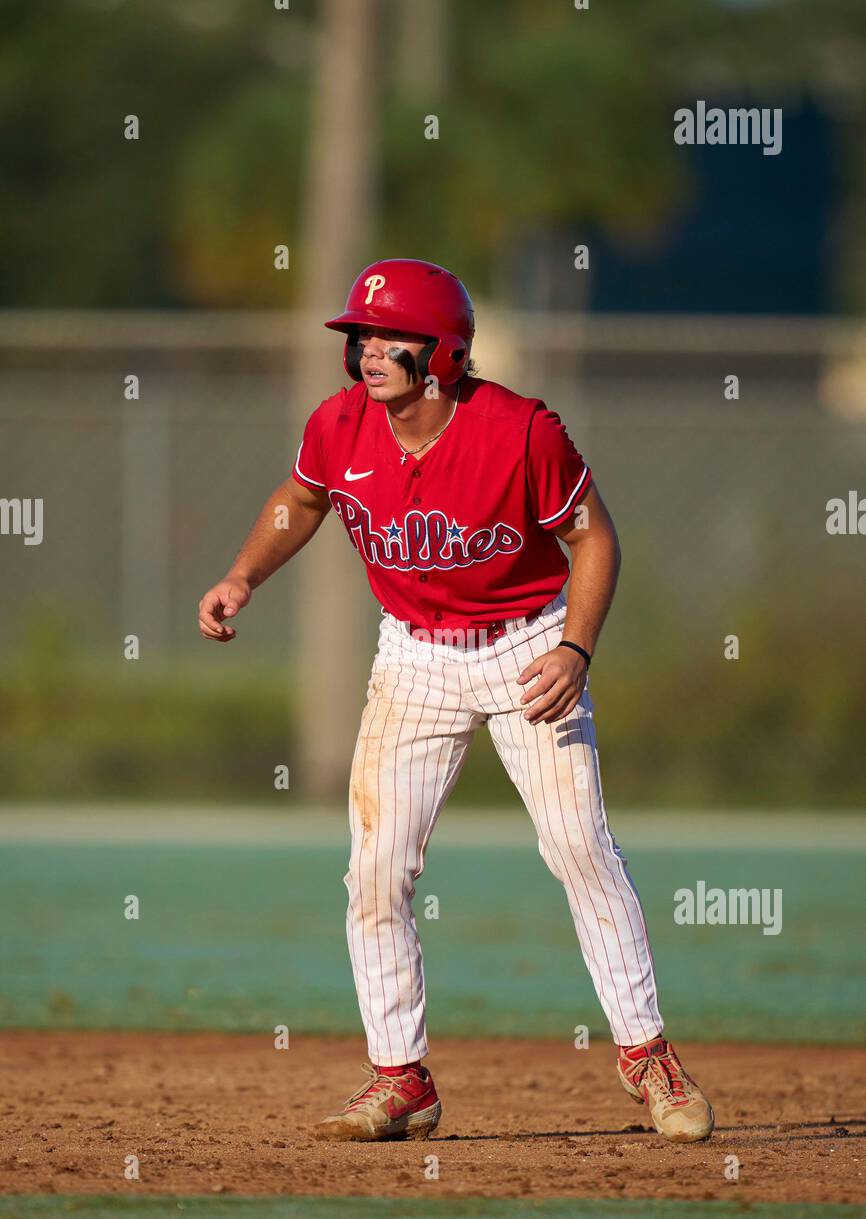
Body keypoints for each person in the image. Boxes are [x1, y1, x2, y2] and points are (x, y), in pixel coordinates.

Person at [198, 258, 714, 1146]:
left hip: (525, 647)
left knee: (578, 845)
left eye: (386, 336)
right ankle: (400, 1080)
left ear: (445, 351)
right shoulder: (340, 425)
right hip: (413, 658)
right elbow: (302, 498)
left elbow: (594, 540)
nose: (364, 352)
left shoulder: (519, 432)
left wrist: (575, 648)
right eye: (359, 336)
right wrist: (242, 576)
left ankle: (647, 1058)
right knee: (374, 871)